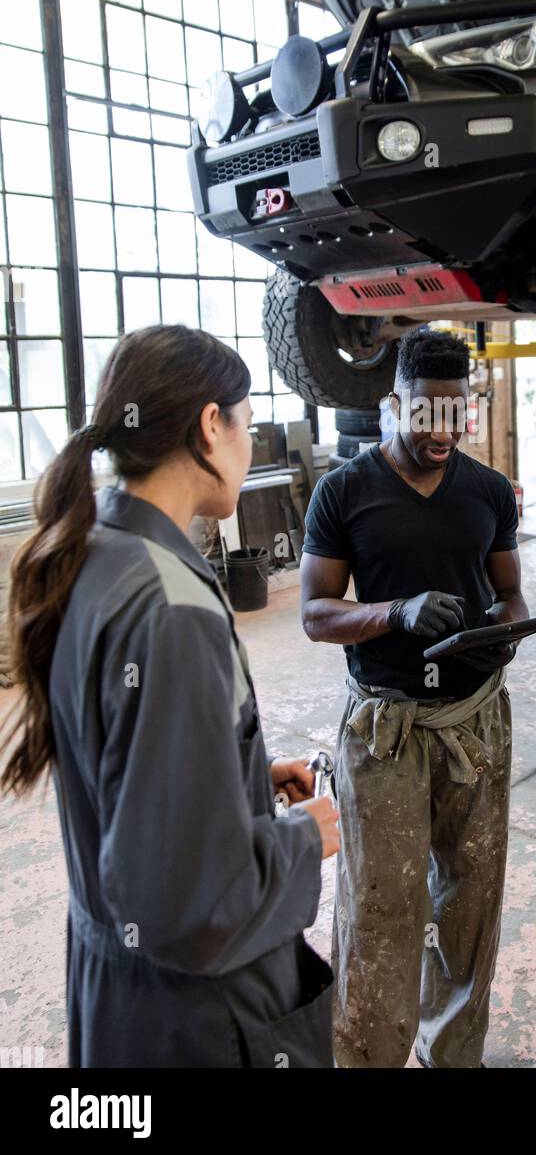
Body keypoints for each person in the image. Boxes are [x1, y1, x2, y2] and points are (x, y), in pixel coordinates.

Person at [1, 324, 339, 1068]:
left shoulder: (94, 554)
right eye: (246, 423)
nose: (248, 444)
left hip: (120, 993)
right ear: (209, 426)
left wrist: (238, 774)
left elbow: (129, 777)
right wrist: (307, 836)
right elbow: (191, 907)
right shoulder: (173, 609)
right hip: (192, 1022)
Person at [301, 326, 528, 1068]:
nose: (443, 430)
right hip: (386, 727)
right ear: (394, 405)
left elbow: (512, 593)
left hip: (475, 723)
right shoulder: (344, 491)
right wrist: (393, 613)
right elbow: (315, 614)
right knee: (381, 908)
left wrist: (506, 634)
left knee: (469, 901)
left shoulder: (488, 492)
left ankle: (453, 1054)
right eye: (427, 412)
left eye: (456, 412)